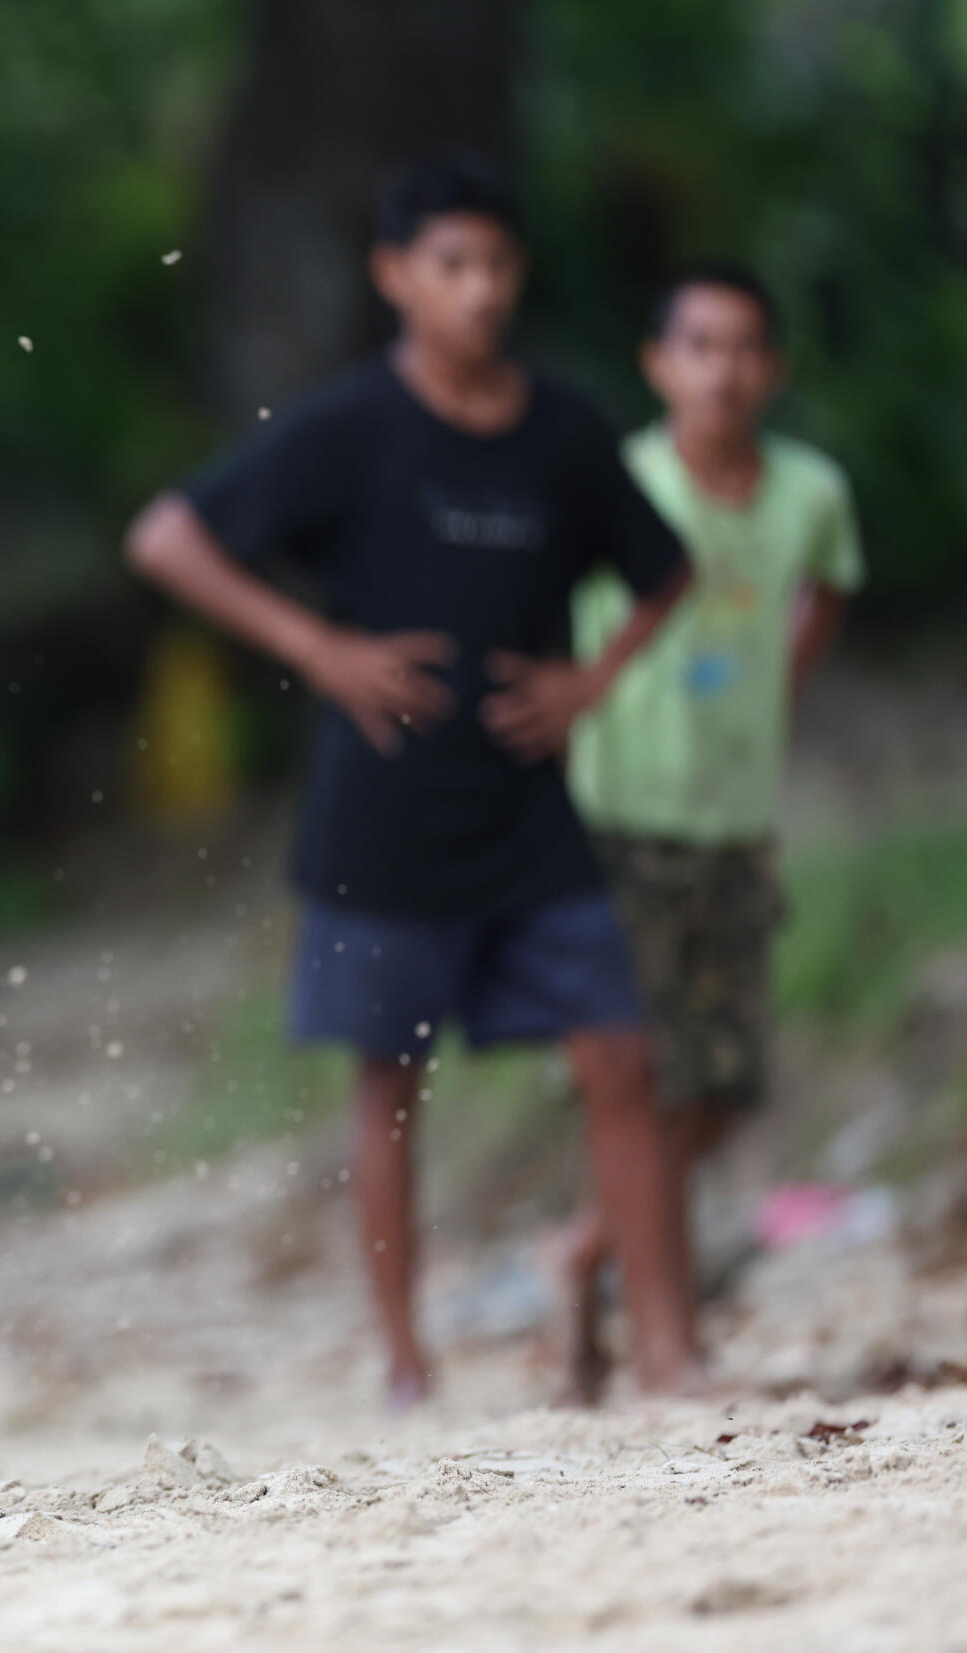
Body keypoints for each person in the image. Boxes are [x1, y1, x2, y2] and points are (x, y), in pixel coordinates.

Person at [123, 155, 705, 1405]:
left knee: (617, 1055)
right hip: (379, 808)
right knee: (385, 1078)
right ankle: (402, 1361)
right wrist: (316, 649)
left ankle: (665, 1346)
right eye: (450, 265)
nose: (478, 289)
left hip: (526, 805)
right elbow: (165, 536)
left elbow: (664, 571)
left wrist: (587, 683)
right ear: (395, 278)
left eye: (496, 264)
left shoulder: (564, 431)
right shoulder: (348, 427)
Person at [547, 262, 861, 1403]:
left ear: (771, 369)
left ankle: (590, 1249)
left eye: (742, 348)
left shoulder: (806, 494)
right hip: (618, 812)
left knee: (722, 1084)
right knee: (646, 1075)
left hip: (734, 817)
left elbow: (824, 587)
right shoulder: (612, 483)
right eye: (698, 345)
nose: (720, 369)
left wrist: (776, 681)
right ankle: (664, 1342)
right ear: (656, 363)